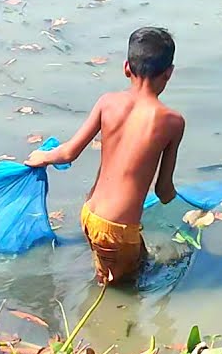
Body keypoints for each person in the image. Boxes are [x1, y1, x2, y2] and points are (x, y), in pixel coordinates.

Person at [25, 27, 185, 285]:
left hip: (90, 214)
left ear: (126, 68)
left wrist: (41, 157)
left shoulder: (107, 102)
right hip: (117, 232)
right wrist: (187, 205)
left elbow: (68, 153)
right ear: (169, 73)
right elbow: (164, 190)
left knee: (140, 262)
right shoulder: (172, 121)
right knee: (119, 290)